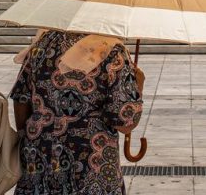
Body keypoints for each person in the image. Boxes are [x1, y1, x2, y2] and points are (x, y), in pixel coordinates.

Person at [11, 30, 143, 195]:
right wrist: (139, 84)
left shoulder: (43, 43)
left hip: (39, 156)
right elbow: (125, 122)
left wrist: (28, 137)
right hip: (92, 163)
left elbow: (20, 98)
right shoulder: (112, 51)